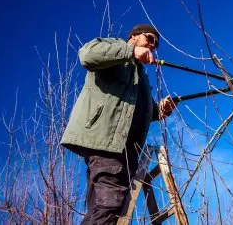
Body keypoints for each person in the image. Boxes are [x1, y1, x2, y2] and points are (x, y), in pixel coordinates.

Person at [60, 24, 176, 224]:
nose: (152, 45)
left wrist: (160, 110)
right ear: (133, 36)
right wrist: (130, 51)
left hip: (125, 151)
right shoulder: (116, 50)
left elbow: (139, 110)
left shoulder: (141, 77)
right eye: (149, 38)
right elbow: (87, 55)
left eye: (156, 44)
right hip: (107, 141)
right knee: (110, 206)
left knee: (102, 209)